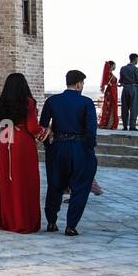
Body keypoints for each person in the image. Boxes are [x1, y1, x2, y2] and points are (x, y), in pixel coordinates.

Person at [39, 70, 98, 235]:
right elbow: (91, 129)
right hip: (79, 147)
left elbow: (43, 125)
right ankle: (71, 225)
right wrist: (89, 149)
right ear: (79, 84)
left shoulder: (52, 101)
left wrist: (48, 146)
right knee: (80, 186)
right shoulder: (86, 102)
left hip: (58, 146)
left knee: (55, 184)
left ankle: (51, 222)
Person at [0, 73, 49, 233]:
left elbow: (2, 122)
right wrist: (47, 133)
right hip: (22, 142)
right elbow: (32, 128)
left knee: (7, 179)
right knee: (24, 180)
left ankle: (8, 220)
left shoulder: (3, 102)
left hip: (5, 139)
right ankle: (22, 221)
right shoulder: (28, 102)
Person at [119, 53, 138, 130]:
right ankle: (132, 126)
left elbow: (120, 80)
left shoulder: (123, 68)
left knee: (124, 107)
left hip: (125, 88)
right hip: (133, 88)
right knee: (134, 108)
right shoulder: (136, 69)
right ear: (135, 59)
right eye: (137, 59)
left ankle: (125, 126)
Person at [99, 60, 119, 130]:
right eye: (114, 65)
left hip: (111, 91)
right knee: (110, 107)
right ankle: (109, 124)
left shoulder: (110, 74)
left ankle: (109, 124)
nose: (115, 67)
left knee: (110, 107)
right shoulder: (109, 74)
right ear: (111, 65)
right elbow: (109, 83)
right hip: (110, 92)